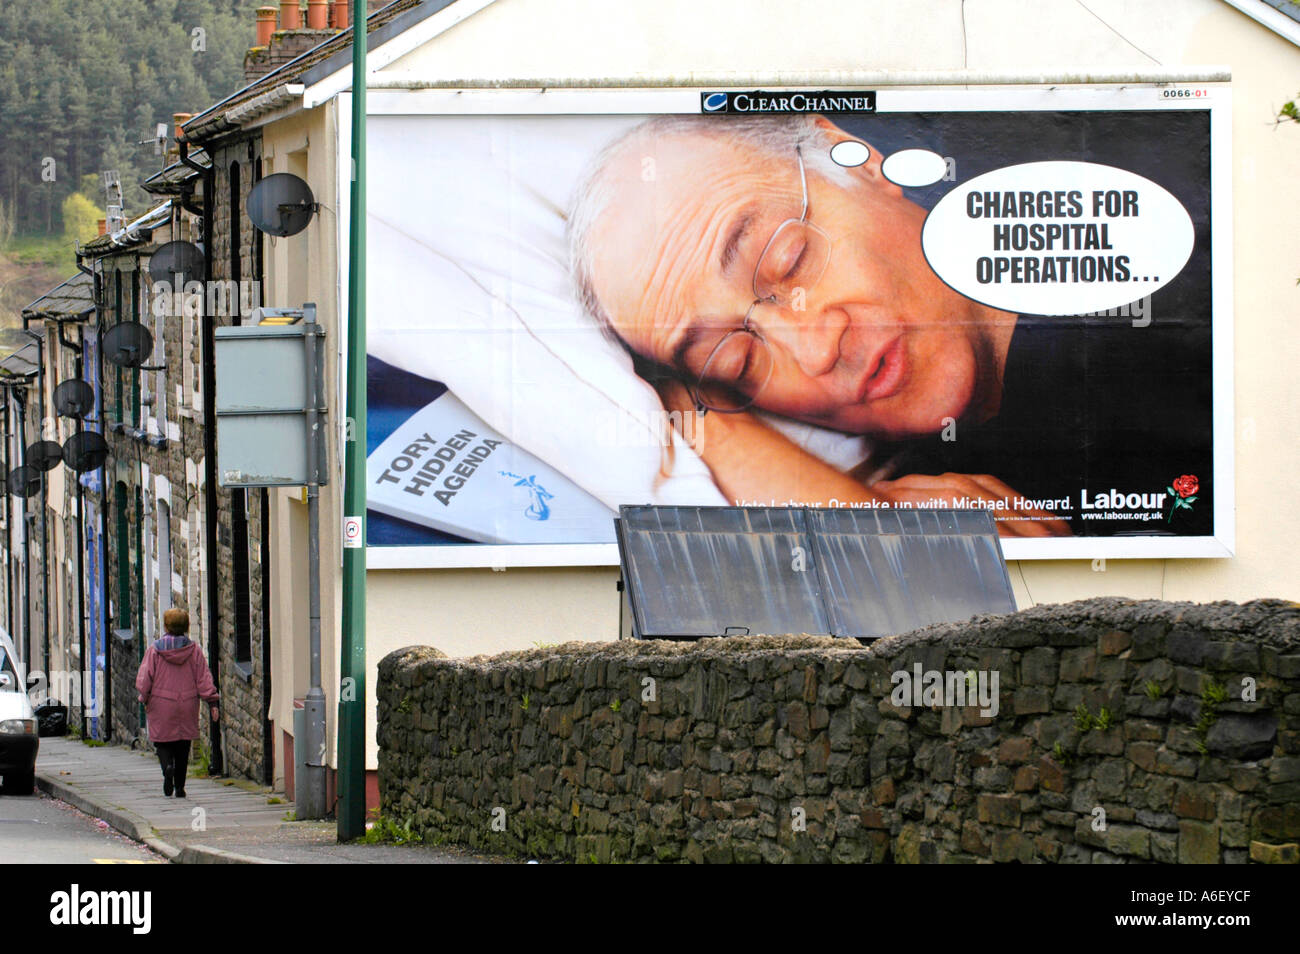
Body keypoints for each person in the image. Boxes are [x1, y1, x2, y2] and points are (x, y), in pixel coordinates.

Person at [567, 113, 1210, 538]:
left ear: (858, 165)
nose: (814, 348)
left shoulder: (1187, 328)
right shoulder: (929, 495)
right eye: (738, 360)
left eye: (787, 259)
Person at [135, 608, 219, 798]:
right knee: (183, 745)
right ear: (186, 627)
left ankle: (167, 769)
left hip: (161, 703)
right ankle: (180, 787)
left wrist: (144, 697)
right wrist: (212, 701)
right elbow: (203, 678)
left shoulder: (155, 650)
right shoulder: (194, 650)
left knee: (162, 742)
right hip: (187, 703)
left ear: (165, 626)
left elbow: (144, 679)